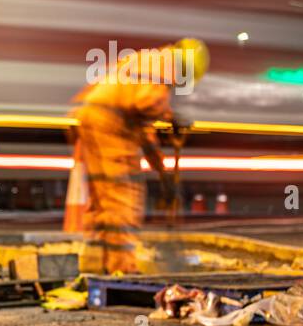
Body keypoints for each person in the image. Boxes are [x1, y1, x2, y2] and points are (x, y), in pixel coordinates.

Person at [71, 38, 210, 274]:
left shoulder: (146, 59)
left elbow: (144, 131)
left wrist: (161, 169)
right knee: (122, 196)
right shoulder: (162, 68)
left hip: (95, 119)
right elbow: (145, 102)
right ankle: (122, 269)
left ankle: (94, 265)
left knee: (103, 200)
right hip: (109, 127)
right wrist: (170, 116)